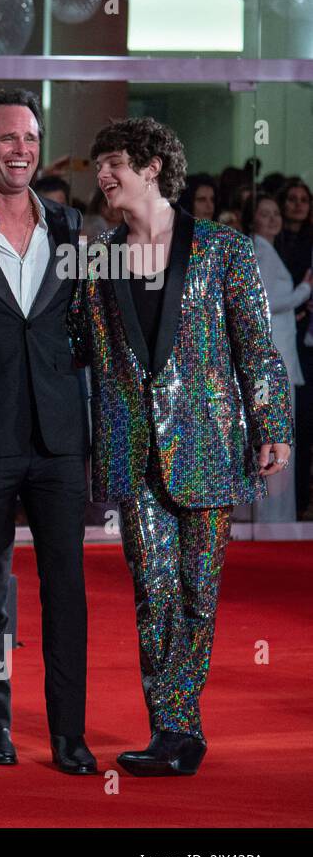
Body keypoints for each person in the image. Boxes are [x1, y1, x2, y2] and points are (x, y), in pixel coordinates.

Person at [69, 118, 292, 776]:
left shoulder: (222, 248)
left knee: (199, 588)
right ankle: (175, 727)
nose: (102, 177)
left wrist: (272, 424)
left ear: (152, 167)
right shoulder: (98, 255)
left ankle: (180, 712)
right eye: (99, 166)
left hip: (208, 444)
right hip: (134, 449)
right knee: (155, 586)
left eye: (112, 163)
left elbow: (256, 345)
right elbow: (74, 343)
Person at [0, 90, 95, 774]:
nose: (21, 150)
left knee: (66, 588)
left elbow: (94, 331)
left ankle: (69, 732)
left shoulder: (71, 228)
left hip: (61, 436)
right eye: (7, 138)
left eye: (31, 138)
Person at [244, 193, 311, 523]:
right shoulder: (257, 248)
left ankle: (275, 516)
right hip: (272, 359)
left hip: (280, 355)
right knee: (274, 436)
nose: (272, 218)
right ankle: (269, 518)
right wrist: (304, 290)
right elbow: (266, 301)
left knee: (280, 437)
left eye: (275, 213)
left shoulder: (267, 249)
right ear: (252, 218)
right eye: (264, 213)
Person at [275, 178, 313, 517]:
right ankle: (293, 505)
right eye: (292, 198)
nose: (298, 204)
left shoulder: (308, 242)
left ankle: (300, 504)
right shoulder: (272, 244)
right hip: (290, 341)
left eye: (304, 199)